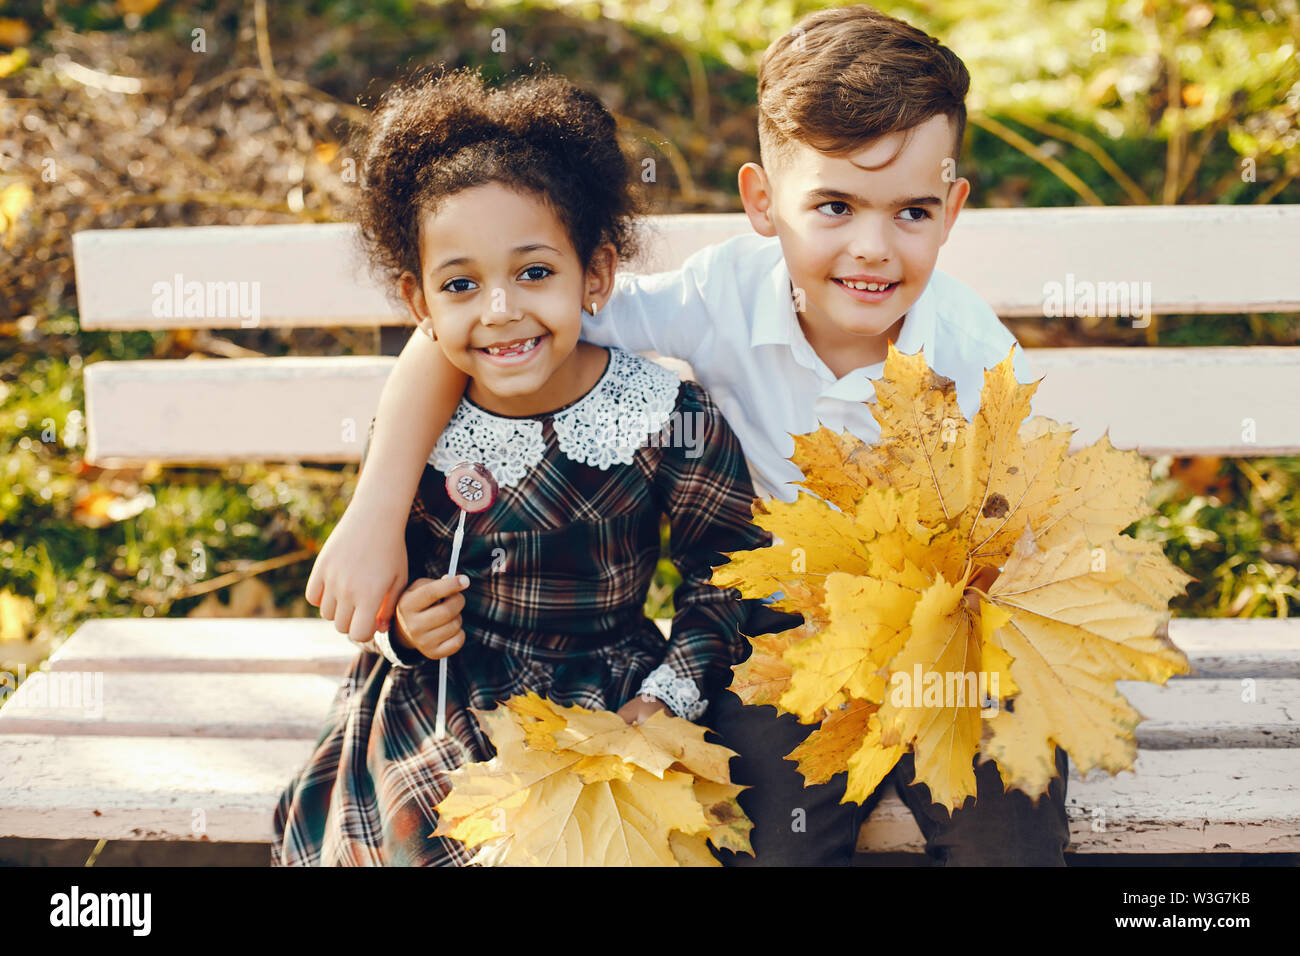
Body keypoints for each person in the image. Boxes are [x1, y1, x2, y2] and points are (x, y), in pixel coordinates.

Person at [306, 5, 1072, 866]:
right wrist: (375, 514)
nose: (873, 248)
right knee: (763, 830)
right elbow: (491, 328)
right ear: (762, 202)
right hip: (781, 631)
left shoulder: (975, 358)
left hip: (949, 624)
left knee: (1009, 826)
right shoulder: (718, 297)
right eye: (834, 205)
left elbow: (1023, 539)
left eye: (913, 212)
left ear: (953, 208)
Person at [272, 66, 768, 866]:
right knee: (437, 836)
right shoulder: (421, 432)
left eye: (534, 272)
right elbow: (387, 592)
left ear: (595, 275)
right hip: (445, 697)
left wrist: (666, 697)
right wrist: (408, 629)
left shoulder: (664, 417)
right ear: (420, 305)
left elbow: (728, 579)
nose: (500, 310)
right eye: (461, 284)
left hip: (607, 694)